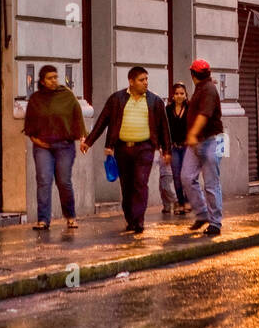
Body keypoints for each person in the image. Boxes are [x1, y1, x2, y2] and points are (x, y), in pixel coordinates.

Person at [81, 66, 171, 235]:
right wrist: (89, 141)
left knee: (140, 182)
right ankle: (131, 218)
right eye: (141, 80)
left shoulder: (154, 101)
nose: (145, 83)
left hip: (145, 148)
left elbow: (164, 128)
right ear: (131, 81)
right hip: (123, 149)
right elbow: (102, 121)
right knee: (127, 186)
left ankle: (139, 220)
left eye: (146, 79)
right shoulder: (117, 99)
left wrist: (167, 150)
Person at [23, 64, 86, 231]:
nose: (54, 81)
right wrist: (36, 140)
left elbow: (77, 116)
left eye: (55, 77)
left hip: (64, 146)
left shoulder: (66, 95)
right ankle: (43, 220)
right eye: (50, 78)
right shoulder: (36, 99)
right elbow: (29, 124)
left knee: (63, 181)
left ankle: (71, 216)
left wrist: (82, 137)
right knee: (43, 180)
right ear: (42, 81)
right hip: (43, 146)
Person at [181, 59, 225, 236]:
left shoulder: (208, 89)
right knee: (186, 177)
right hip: (200, 141)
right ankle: (202, 213)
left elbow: (204, 114)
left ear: (193, 75)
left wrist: (192, 133)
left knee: (211, 183)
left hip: (213, 139)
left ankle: (215, 223)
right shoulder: (202, 88)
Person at [159, 81, 191, 214]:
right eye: (176, 93)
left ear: (185, 95)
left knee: (187, 176)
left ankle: (188, 200)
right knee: (176, 176)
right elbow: (163, 129)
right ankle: (181, 203)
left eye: (181, 93)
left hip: (187, 147)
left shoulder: (190, 108)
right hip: (174, 147)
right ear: (173, 95)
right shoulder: (168, 110)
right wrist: (164, 147)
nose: (179, 96)